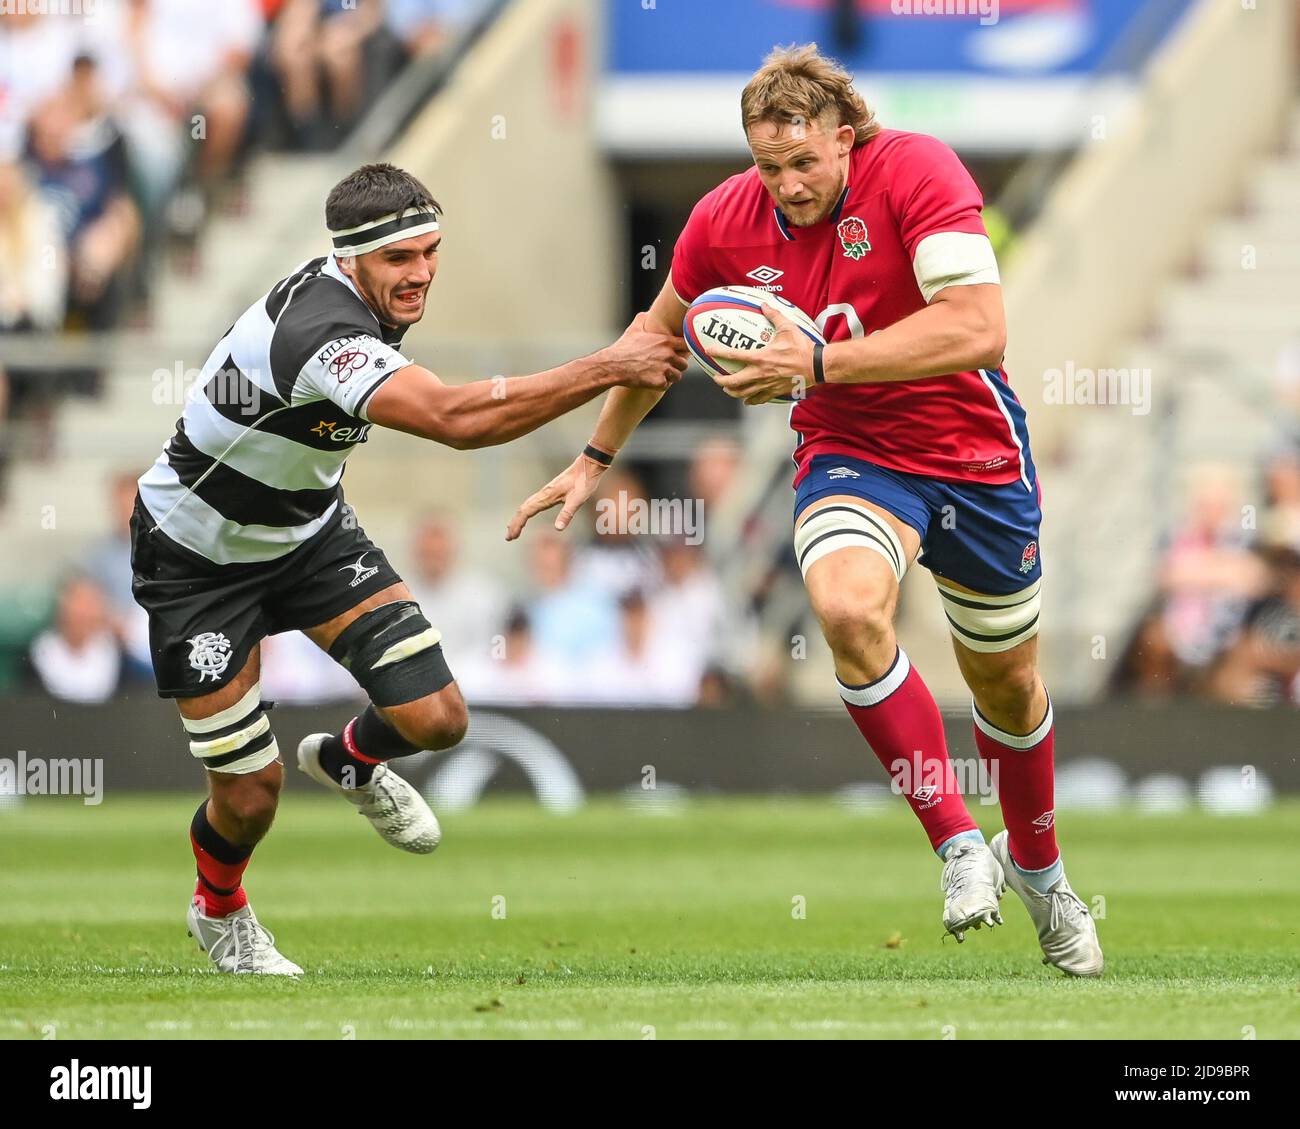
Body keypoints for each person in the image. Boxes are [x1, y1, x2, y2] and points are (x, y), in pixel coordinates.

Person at [508, 45, 1103, 976]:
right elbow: (656, 337)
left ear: (846, 137)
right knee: (847, 608)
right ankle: (955, 844)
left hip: (975, 456)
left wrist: (814, 364)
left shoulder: (918, 168)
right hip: (852, 452)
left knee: (1008, 688)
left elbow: (980, 329)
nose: (784, 184)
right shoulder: (722, 220)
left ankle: (1039, 869)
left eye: (802, 162)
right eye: (766, 164)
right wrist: (595, 455)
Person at [130, 162, 686, 974]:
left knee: (439, 719)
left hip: (308, 533)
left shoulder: (368, 298)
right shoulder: (319, 332)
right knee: (251, 793)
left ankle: (352, 759)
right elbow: (454, 420)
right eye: (400, 259)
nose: (421, 272)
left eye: (430, 251)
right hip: (197, 559)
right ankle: (219, 910)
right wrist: (610, 363)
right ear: (351, 259)